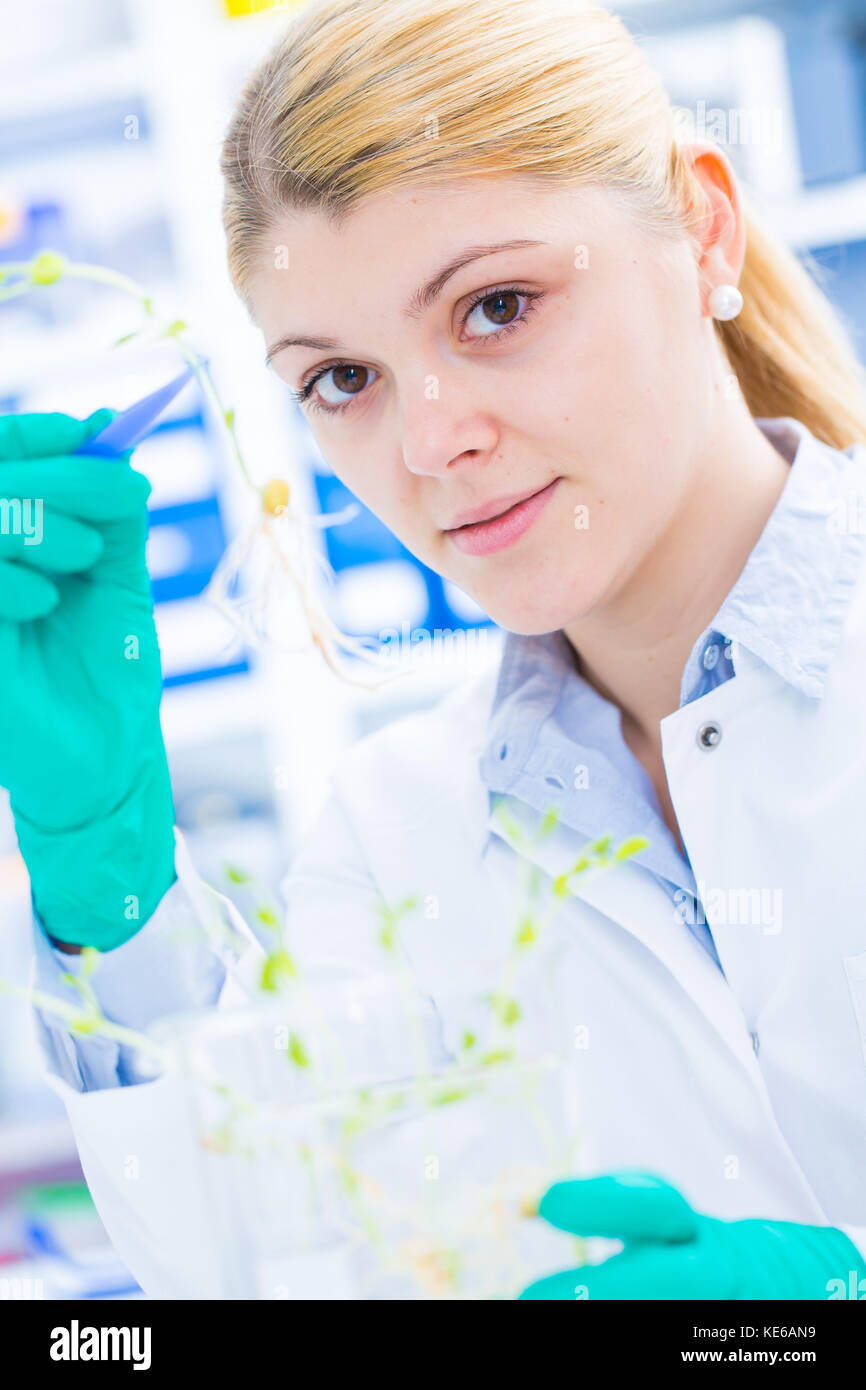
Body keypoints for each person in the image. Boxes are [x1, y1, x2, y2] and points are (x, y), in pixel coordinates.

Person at [3, 0, 866, 1300]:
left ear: (702, 231)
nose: (426, 443)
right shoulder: (394, 831)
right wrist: (107, 880)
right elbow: (280, 1259)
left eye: (496, 305)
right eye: (343, 379)